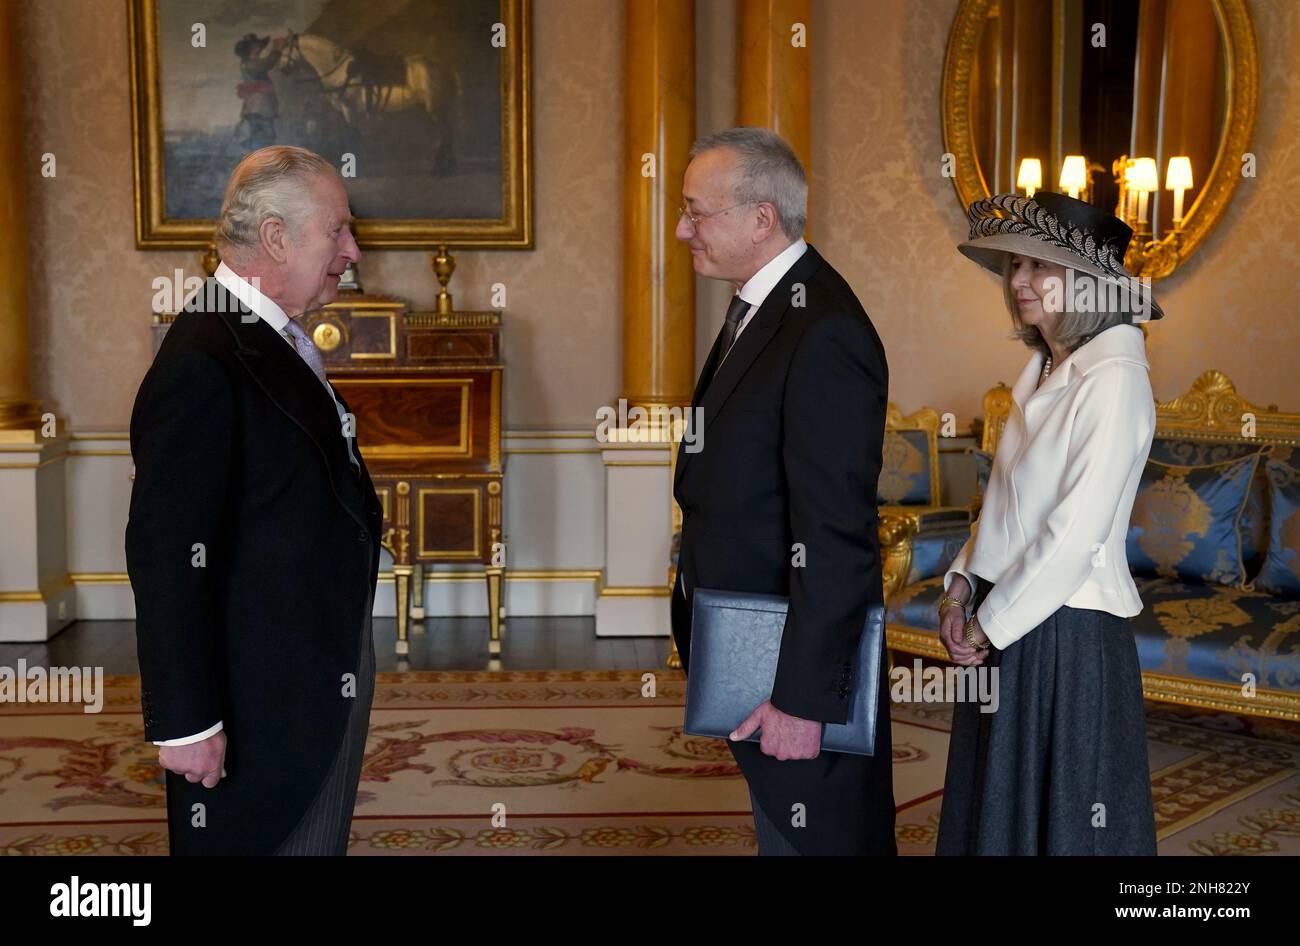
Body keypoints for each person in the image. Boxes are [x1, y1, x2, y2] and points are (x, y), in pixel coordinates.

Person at [126, 145, 380, 855]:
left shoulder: (270, 336)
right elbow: (166, 552)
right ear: (276, 237)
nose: (352, 251)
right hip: (259, 702)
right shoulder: (204, 359)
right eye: (338, 231)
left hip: (304, 680)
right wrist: (186, 723)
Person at [671, 127, 895, 855]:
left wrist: (804, 699)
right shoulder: (764, 308)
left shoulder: (823, 329)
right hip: (752, 646)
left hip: (792, 668)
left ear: (761, 218)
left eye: (695, 212)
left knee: (821, 840)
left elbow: (835, 534)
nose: (682, 230)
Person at [937, 191, 1162, 855]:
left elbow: (1074, 536)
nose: (1019, 283)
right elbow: (1007, 503)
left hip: (1067, 635)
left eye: (1040, 268)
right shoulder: (1044, 364)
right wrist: (959, 587)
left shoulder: (1116, 376)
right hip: (1011, 618)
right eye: (1013, 266)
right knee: (997, 812)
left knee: (1060, 827)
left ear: (1089, 282)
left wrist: (983, 623)